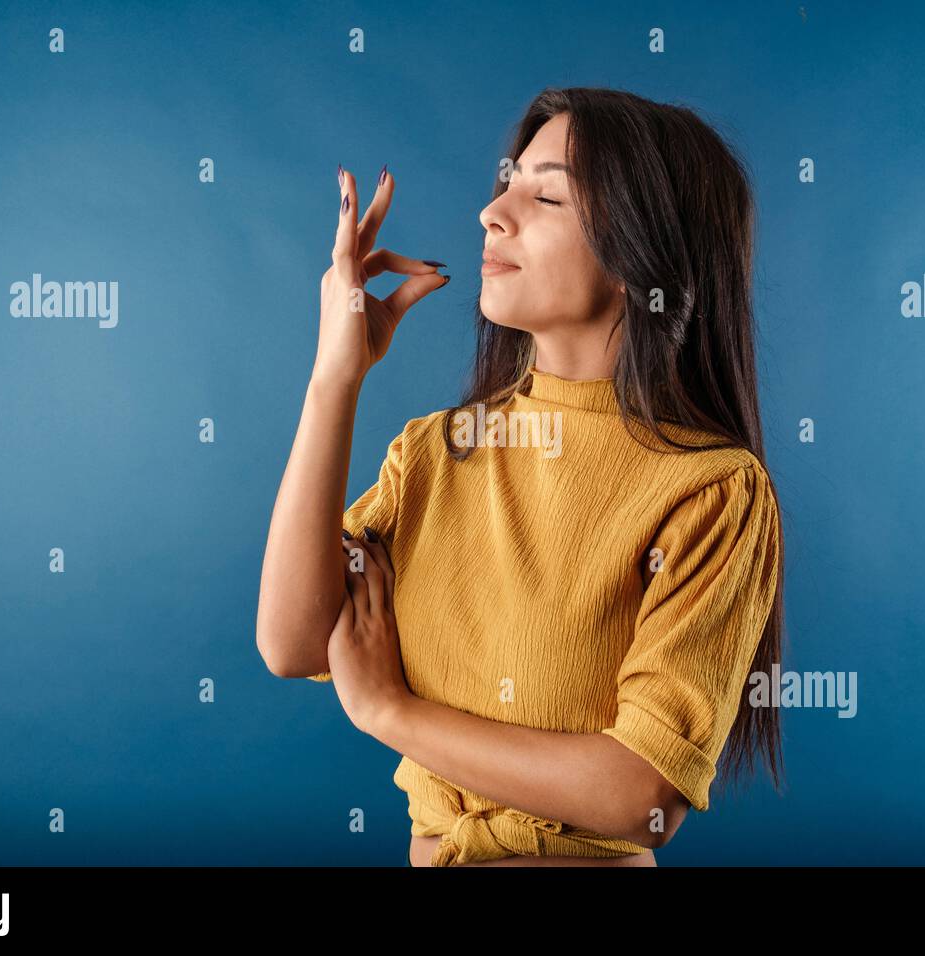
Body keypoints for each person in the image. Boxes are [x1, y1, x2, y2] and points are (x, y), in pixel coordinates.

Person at [256, 87, 786, 868]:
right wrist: (336, 379)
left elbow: (641, 800)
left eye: (547, 195)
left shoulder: (710, 491)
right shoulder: (436, 453)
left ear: (644, 252)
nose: (492, 213)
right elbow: (292, 641)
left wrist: (388, 713)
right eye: (506, 184)